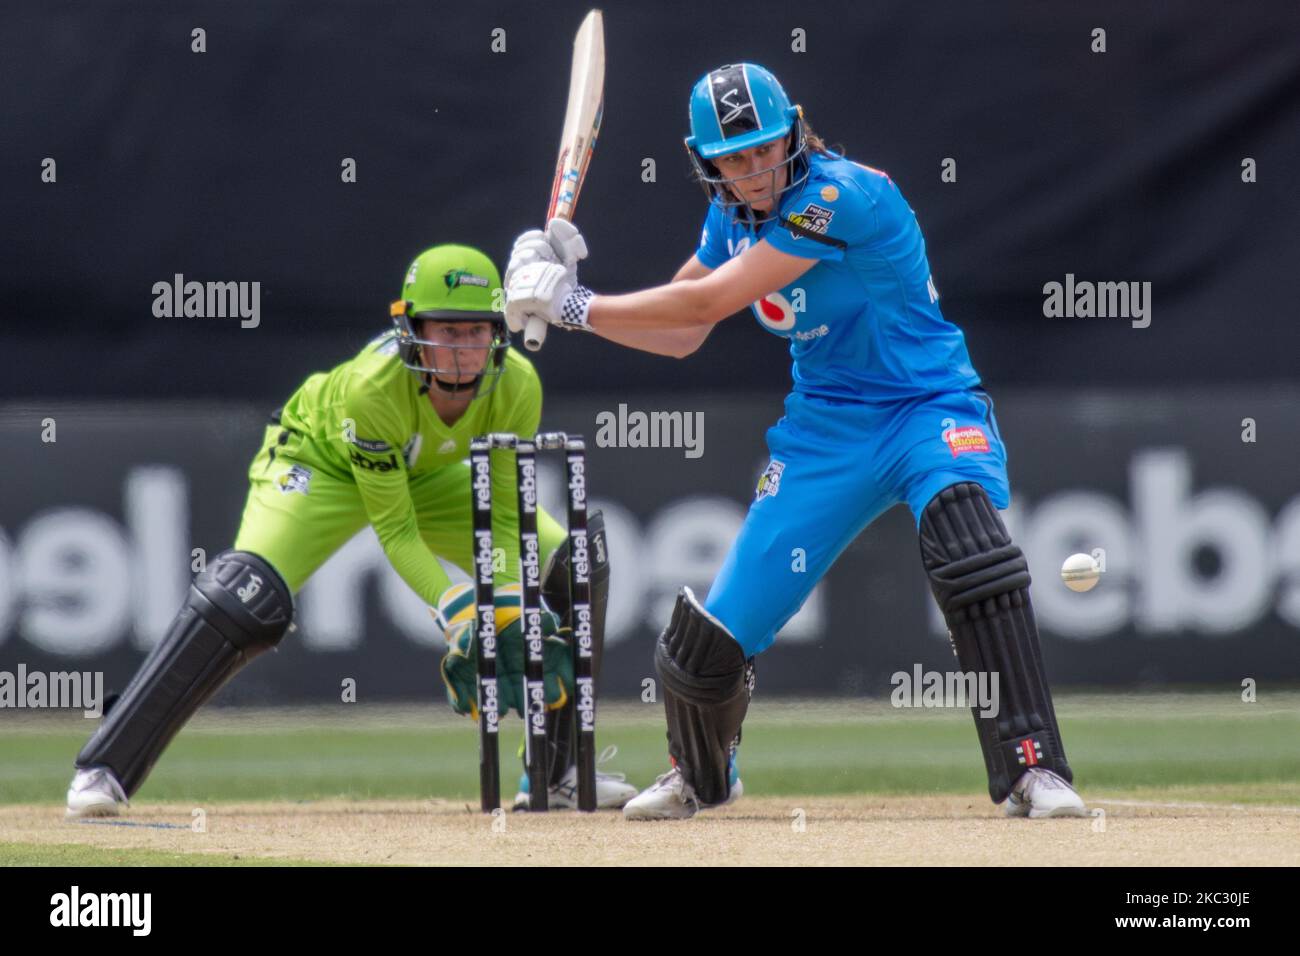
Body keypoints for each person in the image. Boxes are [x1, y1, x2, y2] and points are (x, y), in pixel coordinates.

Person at [504, 63, 1087, 820]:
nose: (752, 172)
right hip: (823, 434)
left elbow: (712, 297)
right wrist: (556, 287)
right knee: (703, 652)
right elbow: (683, 329)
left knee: (970, 549)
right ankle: (702, 775)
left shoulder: (841, 196)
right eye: (732, 159)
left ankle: (1032, 767)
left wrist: (577, 303)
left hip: (924, 406)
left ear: (793, 131)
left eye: (763, 150)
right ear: (706, 161)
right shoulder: (728, 219)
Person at [66, 244, 634, 817]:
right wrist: (456, 609)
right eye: (445, 331)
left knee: (573, 558)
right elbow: (395, 530)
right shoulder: (374, 388)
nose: (461, 351)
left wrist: (508, 606)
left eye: (474, 332)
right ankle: (103, 769)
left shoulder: (517, 387)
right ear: (411, 329)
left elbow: (507, 517)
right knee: (243, 595)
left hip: (427, 475)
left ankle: (555, 773)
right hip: (318, 464)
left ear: (497, 332)